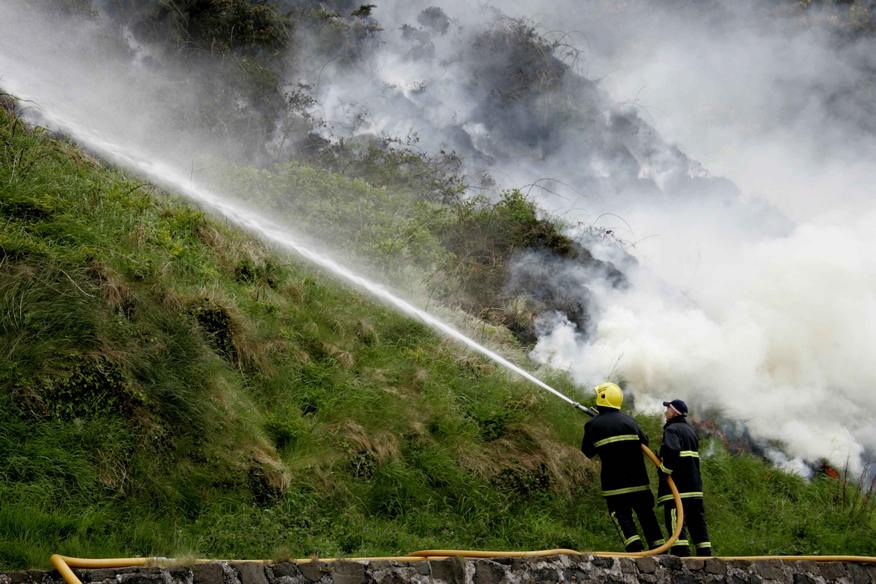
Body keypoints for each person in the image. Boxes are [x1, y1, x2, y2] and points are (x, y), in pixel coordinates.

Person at [581, 382, 665, 552]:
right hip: (640, 483)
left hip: (615, 486)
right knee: (647, 516)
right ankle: (661, 552)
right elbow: (645, 442)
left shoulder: (593, 425)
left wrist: (595, 423)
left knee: (621, 516)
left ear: (602, 399)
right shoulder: (630, 421)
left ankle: (635, 553)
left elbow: (587, 452)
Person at [657, 399, 712, 556]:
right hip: (694, 489)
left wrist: (664, 470)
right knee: (697, 523)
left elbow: (672, 452)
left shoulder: (672, 430)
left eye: (668, 409)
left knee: (676, 523)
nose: (665, 411)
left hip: (678, 489)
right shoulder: (690, 431)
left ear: (674, 412)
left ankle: (681, 557)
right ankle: (705, 556)